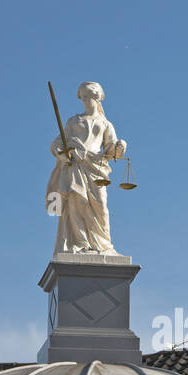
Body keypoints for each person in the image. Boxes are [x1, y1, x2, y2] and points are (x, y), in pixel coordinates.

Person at [46, 81, 127, 255]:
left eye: (87, 97)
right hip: (75, 166)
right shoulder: (73, 121)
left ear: (96, 97)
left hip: (96, 168)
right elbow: (56, 144)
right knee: (76, 202)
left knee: (101, 206)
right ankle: (82, 244)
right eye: (82, 97)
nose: (84, 101)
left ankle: (103, 245)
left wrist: (120, 147)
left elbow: (111, 150)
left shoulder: (106, 124)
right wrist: (62, 155)